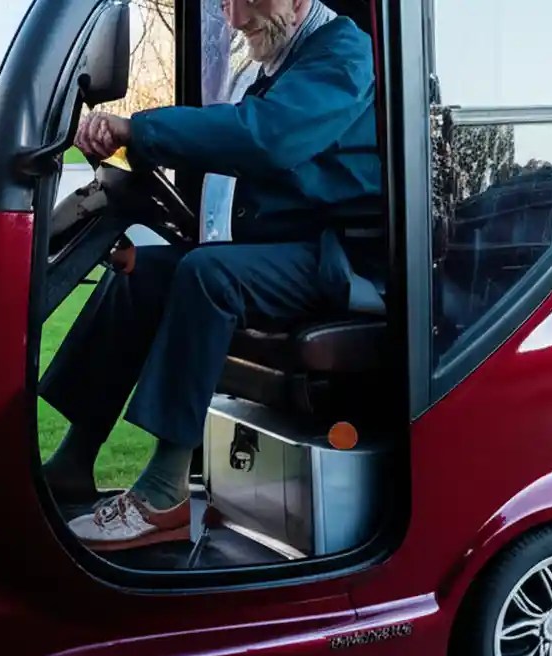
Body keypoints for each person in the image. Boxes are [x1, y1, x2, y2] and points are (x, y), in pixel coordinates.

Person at [39, 0, 383, 552]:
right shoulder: (283, 62)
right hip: (284, 249)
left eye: (247, 0)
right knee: (142, 272)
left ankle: (162, 492)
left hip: (339, 260)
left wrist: (140, 129)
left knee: (208, 274)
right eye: (225, 2)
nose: (234, 16)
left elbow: (265, 138)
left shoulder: (344, 53)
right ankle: (75, 460)